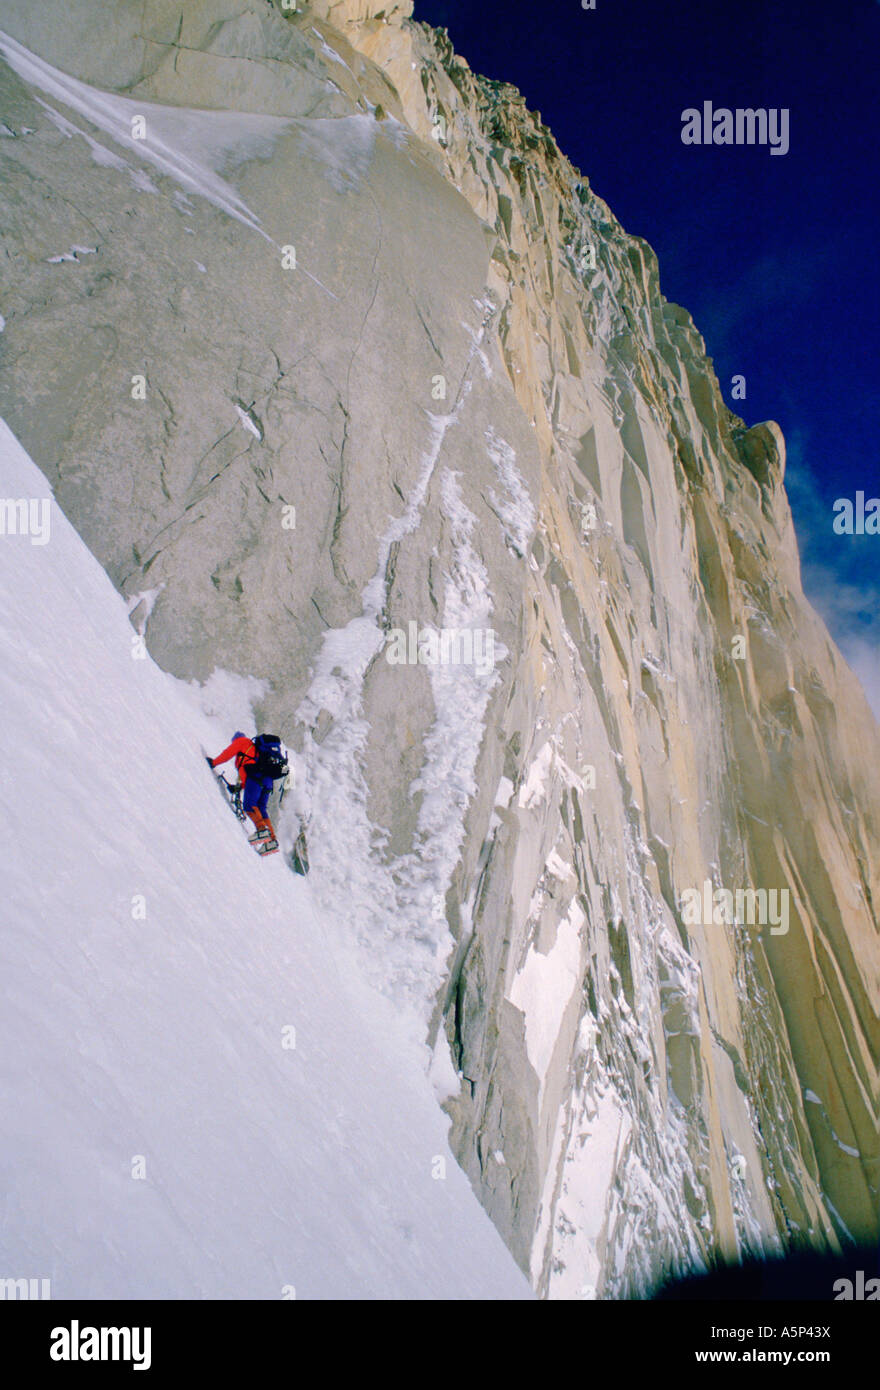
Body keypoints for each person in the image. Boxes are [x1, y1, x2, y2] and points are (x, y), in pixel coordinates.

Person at [209, 731, 280, 844]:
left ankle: (261, 830)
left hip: (256, 778)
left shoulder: (241, 742)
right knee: (261, 808)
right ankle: (272, 840)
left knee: (249, 805)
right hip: (268, 780)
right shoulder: (256, 751)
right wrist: (239, 787)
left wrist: (213, 762)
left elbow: (227, 754)